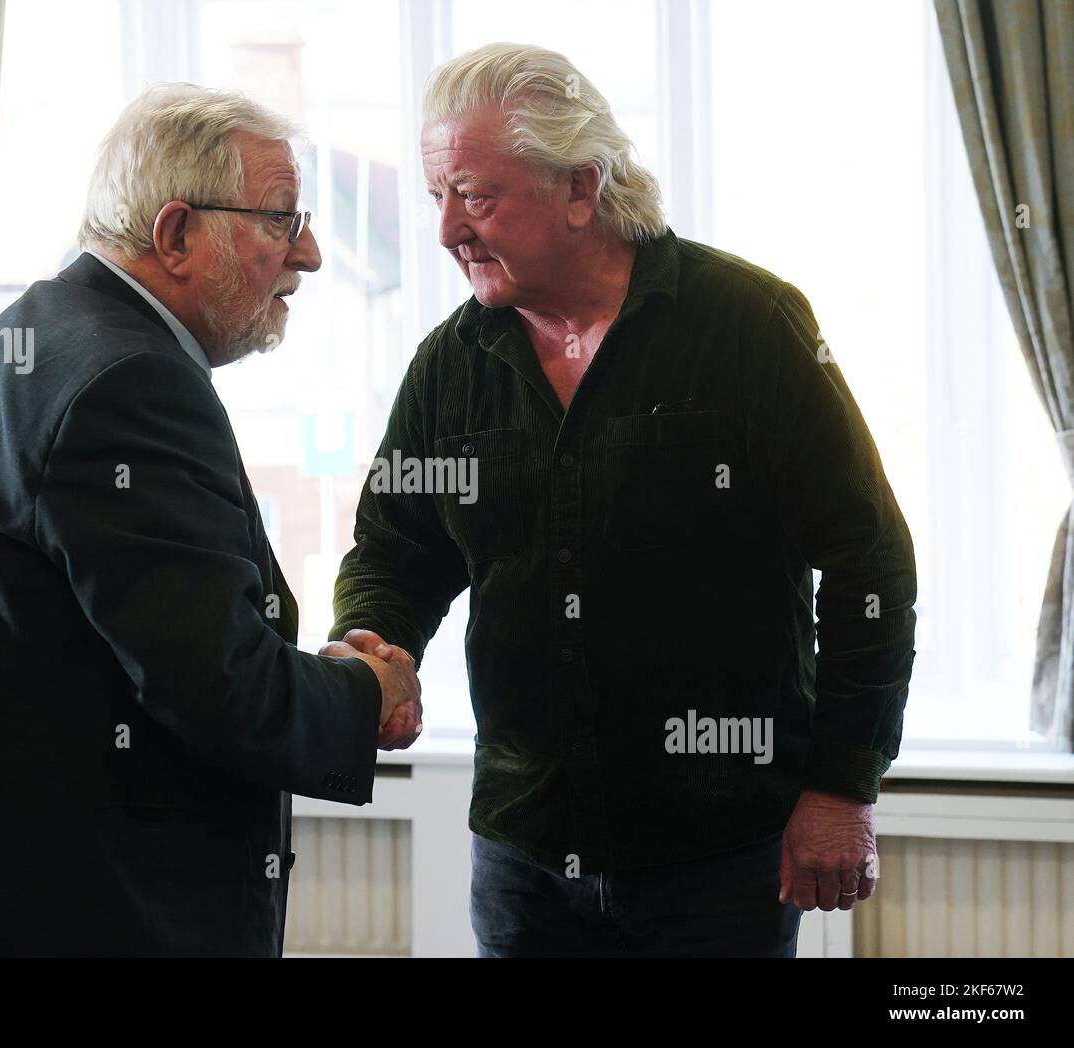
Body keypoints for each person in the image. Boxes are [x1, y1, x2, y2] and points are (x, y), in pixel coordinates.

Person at [0, 83, 420, 959]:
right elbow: (218, 686)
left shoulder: (50, 332)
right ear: (176, 233)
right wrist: (369, 694)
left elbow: (148, 645)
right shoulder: (130, 383)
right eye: (280, 219)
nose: (306, 252)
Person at [330, 43, 917, 957]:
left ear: (580, 188)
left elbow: (868, 560)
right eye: (437, 195)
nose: (446, 229)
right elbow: (395, 551)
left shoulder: (748, 327)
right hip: (525, 855)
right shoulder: (452, 365)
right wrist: (372, 646)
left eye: (475, 196)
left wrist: (842, 786)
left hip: (718, 856)